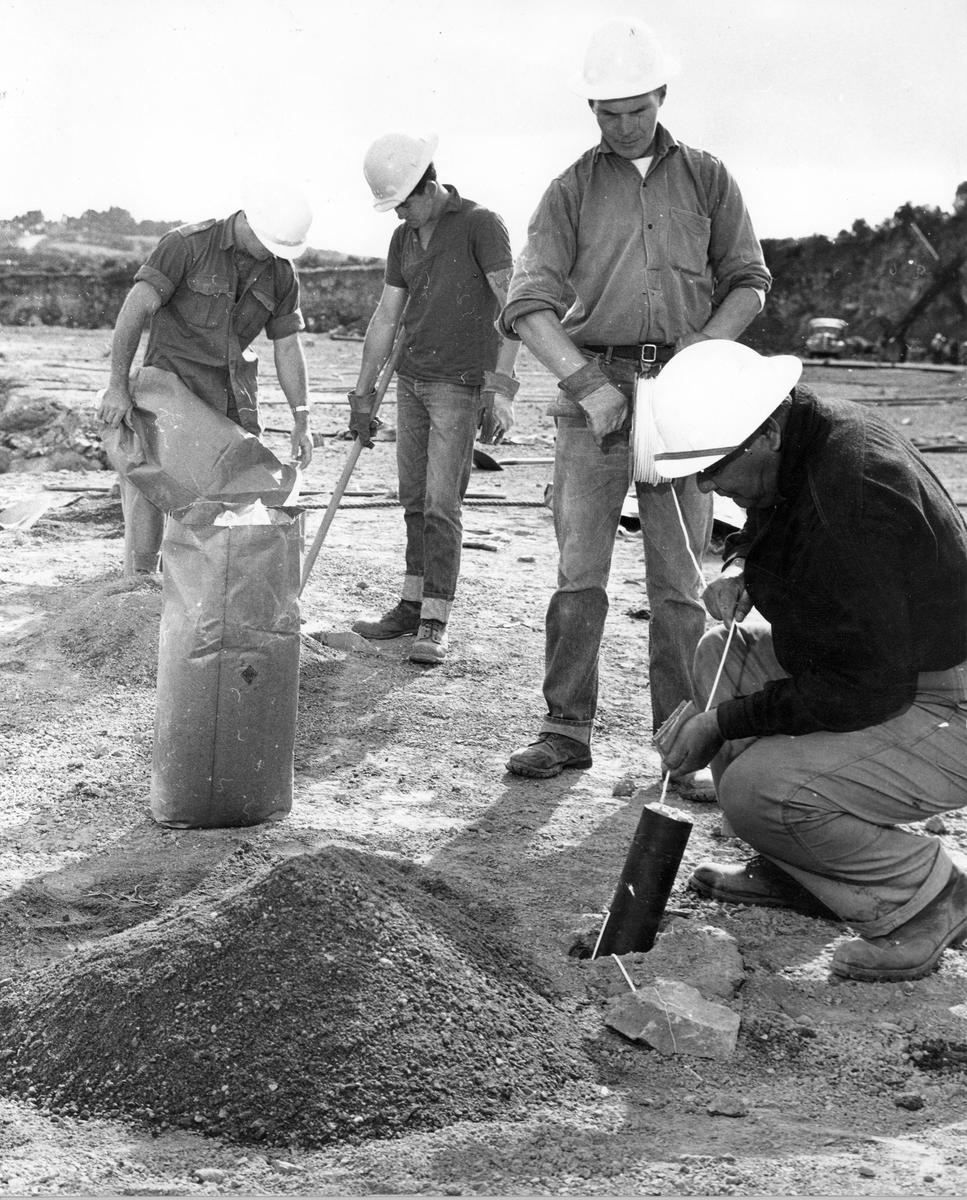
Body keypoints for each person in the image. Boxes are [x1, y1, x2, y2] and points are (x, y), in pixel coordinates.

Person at [498, 18, 771, 782]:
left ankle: (681, 747)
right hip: (595, 397)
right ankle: (563, 729)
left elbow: (747, 280)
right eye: (605, 113)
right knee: (578, 573)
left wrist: (699, 354)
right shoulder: (570, 190)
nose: (621, 127)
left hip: (681, 398)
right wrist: (586, 385)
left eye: (635, 111)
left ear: (660, 95)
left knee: (679, 582)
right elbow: (527, 302)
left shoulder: (708, 178)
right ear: (590, 111)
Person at [652, 339, 967, 983]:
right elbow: (792, 523)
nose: (708, 485)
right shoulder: (810, 430)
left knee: (753, 790)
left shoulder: (852, 495)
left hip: (943, 700)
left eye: (714, 469)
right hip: (897, 671)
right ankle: (806, 871)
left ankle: (932, 896)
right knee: (721, 655)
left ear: (764, 434)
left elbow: (865, 689)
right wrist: (750, 569)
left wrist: (723, 723)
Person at [348, 132, 519, 665]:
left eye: (404, 203)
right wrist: (361, 391)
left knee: (443, 505)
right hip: (411, 380)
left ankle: (435, 620)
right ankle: (411, 603)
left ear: (428, 186)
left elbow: (515, 308)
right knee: (413, 499)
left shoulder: (481, 225)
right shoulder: (405, 239)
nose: (400, 215)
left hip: (460, 385)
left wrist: (502, 388)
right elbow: (386, 315)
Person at [97, 183, 314, 574]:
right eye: (268, 244)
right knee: (150, 491)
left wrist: (302, 417)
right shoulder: (186, 245)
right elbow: (135, 310)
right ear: (248, 219)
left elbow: (287, 346)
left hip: (230, 402)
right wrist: (117, 386)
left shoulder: (281, 271)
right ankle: (140, 589)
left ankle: (204, 592)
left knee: (229, 505)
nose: (271, 254)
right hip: (170, 395)